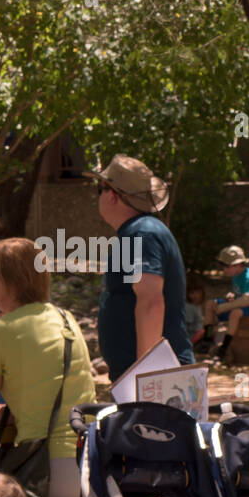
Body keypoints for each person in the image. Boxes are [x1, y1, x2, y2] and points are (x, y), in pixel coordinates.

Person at [0, 238, 96, 497]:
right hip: (89, 470)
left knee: (2, 496)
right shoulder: (65, 318)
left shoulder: (0, 329)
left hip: (45, 475)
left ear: (12, 279)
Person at [92, 154, 193, 381]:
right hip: (150, 377)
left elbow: (151, 303)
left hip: (156, 380)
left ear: (112, 196)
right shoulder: (138, 232)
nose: (97, 196)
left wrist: (144, 376)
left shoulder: (141, 234)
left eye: (100, 189)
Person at [202, 244, 249, 366]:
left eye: (226, 266)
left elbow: (248, 300)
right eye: (222, 266)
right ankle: (207, 340)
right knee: (210, 304)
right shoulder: (235, 275)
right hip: (241, 303)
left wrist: (224, 307)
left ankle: (223, 349)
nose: (224, 269)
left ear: (238, 265)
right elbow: (239, 294)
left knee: (235, 313)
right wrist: (231, 296)